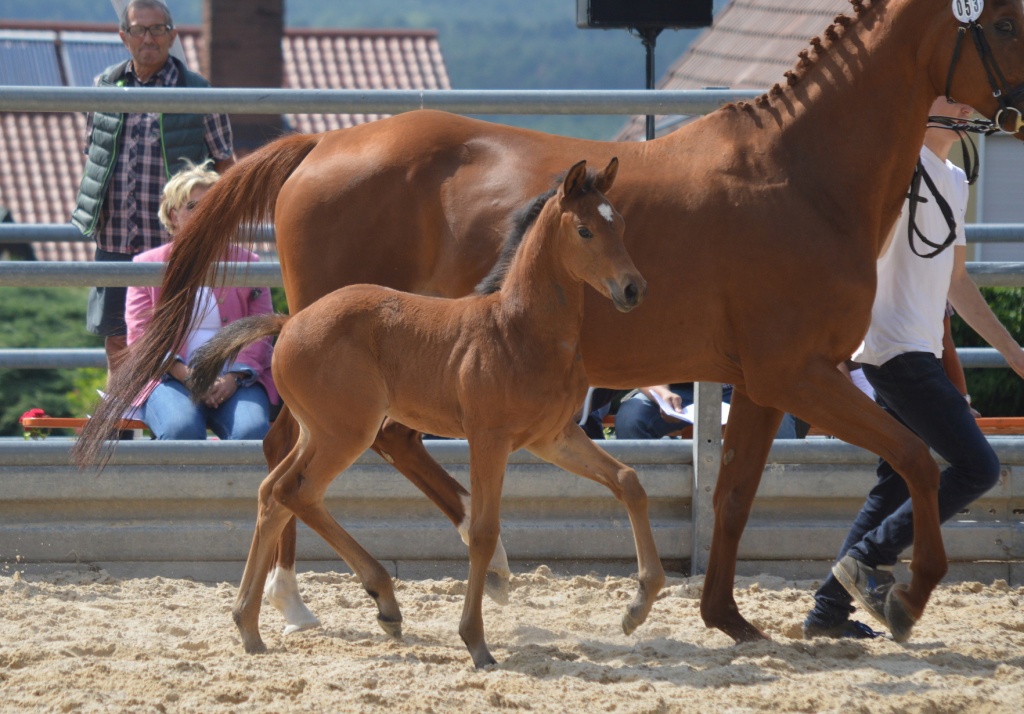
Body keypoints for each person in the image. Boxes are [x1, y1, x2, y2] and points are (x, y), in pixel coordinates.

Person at [802, 97, 1024, 640]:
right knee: (978, 467)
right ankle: (869, 559)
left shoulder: (955, 179)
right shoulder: (895, 162)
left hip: (915, 350)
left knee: (894, 485)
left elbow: (957, 281)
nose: (966, 106)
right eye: (951, 97)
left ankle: (827, 614)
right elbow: (864, 248)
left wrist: (1011, 351)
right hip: (891, 350)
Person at [71, 0, 234, 378]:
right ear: (123, 37)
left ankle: (173, 408)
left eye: (157, 29)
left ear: (172, 36)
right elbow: (95, 154)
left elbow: (225, 166)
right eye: (139, 29)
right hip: (116, 236)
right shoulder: (104, 86)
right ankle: (124, 411)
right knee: (118, 338)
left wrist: (215, 225)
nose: (148, 38)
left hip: (171, 241)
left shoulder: (198, 92)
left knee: (174, 334)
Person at [125, 161, 277, 440]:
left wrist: (232, 378)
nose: (206, 213)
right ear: (173, 215)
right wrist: (189, 377)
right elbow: (141, 336)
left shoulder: (249, 263)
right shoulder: (146, 265)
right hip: (167, 377)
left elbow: (261, 331)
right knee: (181, 429)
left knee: (252, 431)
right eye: (193, 206)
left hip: (237, 379)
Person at [614, 383, 802, 439]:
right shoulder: (665, 307)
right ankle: (650, 499)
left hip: (742, 388)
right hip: (677, 391)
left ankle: (777, 501)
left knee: (776, 417)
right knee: (632, 418)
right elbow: (643, 364)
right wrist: (662, 394)